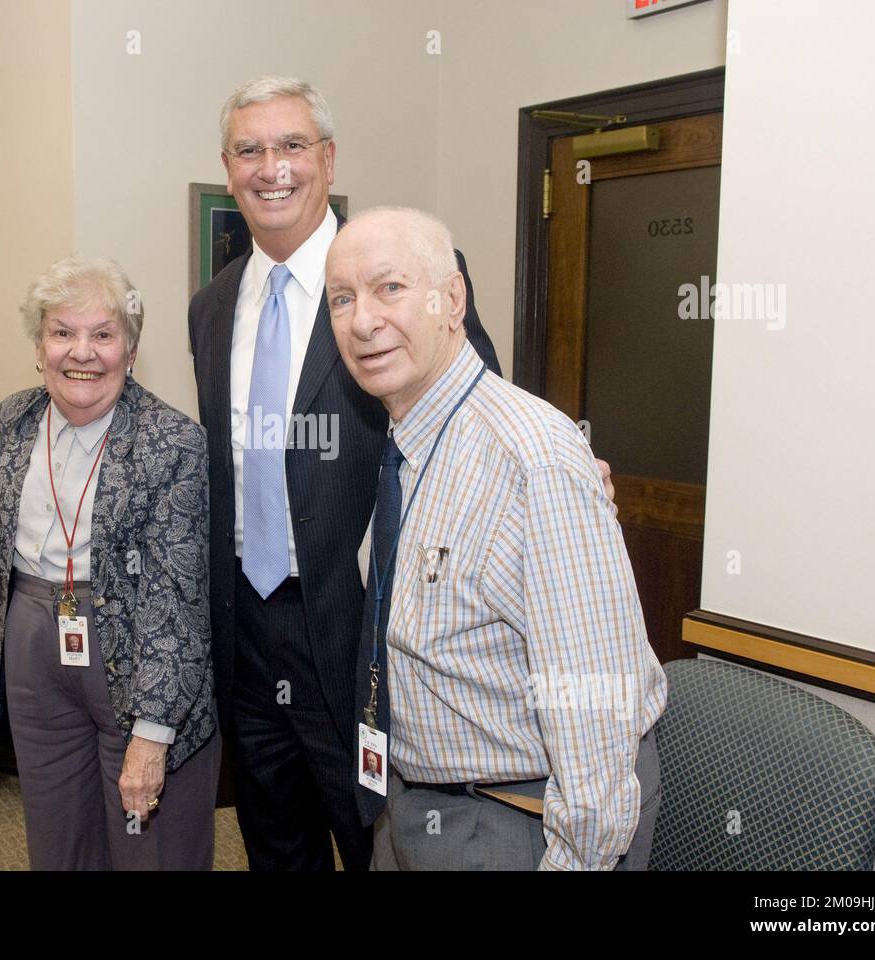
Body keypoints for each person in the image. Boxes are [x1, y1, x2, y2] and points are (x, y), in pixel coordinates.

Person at [188, 75, 504, 871]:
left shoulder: (399, 279)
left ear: (327, 159)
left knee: (378, 846)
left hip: (360, 632)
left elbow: (479, 416)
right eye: (250, 150)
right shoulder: (213, 304)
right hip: (249, 630)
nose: (273, 167)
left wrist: (564, 458)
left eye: (292, 145)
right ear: (229, 170)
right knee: (274, 844)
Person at [326, 208, 666, 870]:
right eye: (343, 298)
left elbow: (593, 705)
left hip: (519, 818)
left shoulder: (532, 459)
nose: (363, 321)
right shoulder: (407, 440)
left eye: (389, 288)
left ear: (451, 300)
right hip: (414, 800)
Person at [0, 256, 218, 870]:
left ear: (130, 351)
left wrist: (155, 732)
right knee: (57, 839)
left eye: (103, 334)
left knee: (147, 839)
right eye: (62, 332)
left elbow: (176, 599)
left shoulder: (171, 440)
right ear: (39, 344)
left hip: (139, 654)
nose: (81, 351)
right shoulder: (7, 423)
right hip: (34, 644)